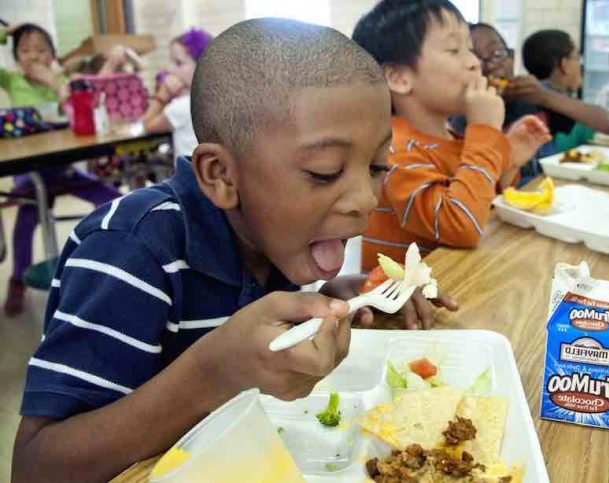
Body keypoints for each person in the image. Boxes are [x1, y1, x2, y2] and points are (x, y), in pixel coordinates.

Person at [12, 18, 456, 482]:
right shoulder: (130, 250)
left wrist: (339, 301)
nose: (366, 199)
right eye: (325, 171)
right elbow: (35, 466)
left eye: (377, 167)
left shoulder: (268, 238)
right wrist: (214, 373)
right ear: (222, 175)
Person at [353, 0, 552, 272]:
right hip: (403, 296)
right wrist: (486, 133)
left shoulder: (452, 137)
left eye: (469, 49)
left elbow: (482, 206)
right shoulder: (394, 149)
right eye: (454, 50)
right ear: (399, 77)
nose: (474, 63)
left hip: (459, 280)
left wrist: (509, 161)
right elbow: (461, 224)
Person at [0, 23, 120, 316]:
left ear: (53, 56)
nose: (34, 56)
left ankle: (113, 262)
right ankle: (17, 279)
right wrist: (7, 32)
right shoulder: (12, 81)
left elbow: (81, 115)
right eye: (25, 50)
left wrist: (56, 84)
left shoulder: (63, 82)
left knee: (114, 200)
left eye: (41, 50)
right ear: (16, 57)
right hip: (31, 175)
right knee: (25, 223)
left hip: (64, 171)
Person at [451, 22, 609, 137]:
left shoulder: (532, 98)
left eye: (497, 53)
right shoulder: (461, 115)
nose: (490, 66)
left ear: (512, 57)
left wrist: (544, 97)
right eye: (476, 58)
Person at [522, 29, 609, 155]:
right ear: (564, 64)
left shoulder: (531, 92)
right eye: (578, 58)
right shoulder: (546, 98)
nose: (580, 66)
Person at [143, 28, 212, 159]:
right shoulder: (213, 99)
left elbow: (147, 125)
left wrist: (162, 94)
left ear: (202, 66)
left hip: (189, 171)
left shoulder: (183, 106)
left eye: (178, 63)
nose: (169, 69)